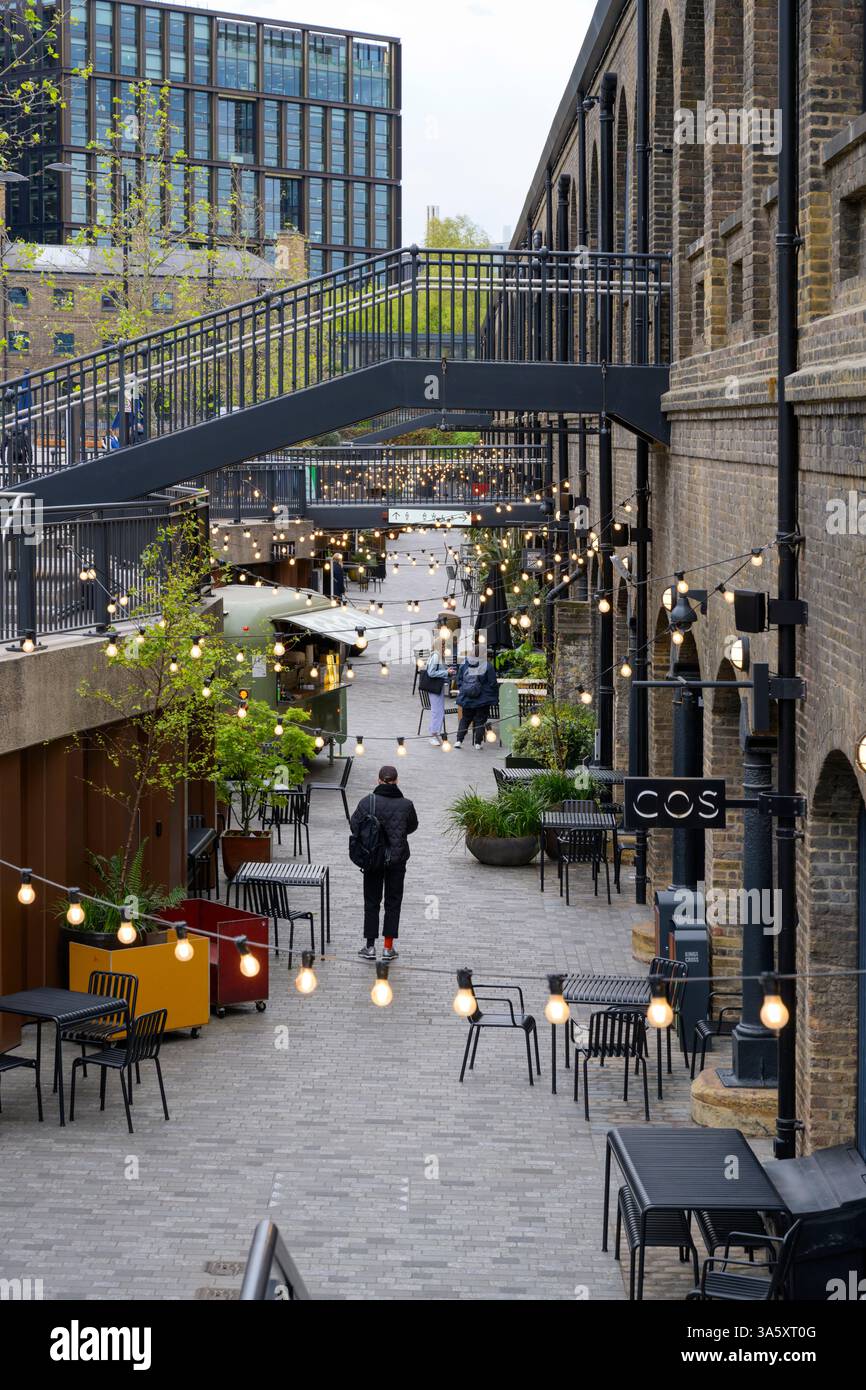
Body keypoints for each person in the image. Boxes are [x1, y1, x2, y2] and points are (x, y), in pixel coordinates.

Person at [350, 765, 418, 961]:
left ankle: (370, 946)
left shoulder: (367, 802)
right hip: (397, 860)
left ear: (378, 780)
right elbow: (412, 826)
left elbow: (355, 825)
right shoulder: (406, 804)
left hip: (373, 859)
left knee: (371, 901)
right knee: (393, 902)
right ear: (397, 781)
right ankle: (388, 947)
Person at [455, 653, 498, 749]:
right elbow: (493, 683)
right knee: (480, 720)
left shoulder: (464, 664)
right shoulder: (487, 665)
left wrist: (464, 690)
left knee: (465, 719)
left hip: (467, 698)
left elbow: (459, 680)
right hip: (482, 699)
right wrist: (493, 695)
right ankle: (478, 743)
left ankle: (458, 741)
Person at [424, 637, 453, 746]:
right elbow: (431, 673)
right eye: (443, 645)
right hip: (435, 687)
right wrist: (446, 672)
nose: (444, 647)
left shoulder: (437, 655)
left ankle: (434, 734)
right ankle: (433, 735)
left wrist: (447, 671)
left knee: (438, 711)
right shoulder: (436, 656)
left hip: (437, 687)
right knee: (437, 711)